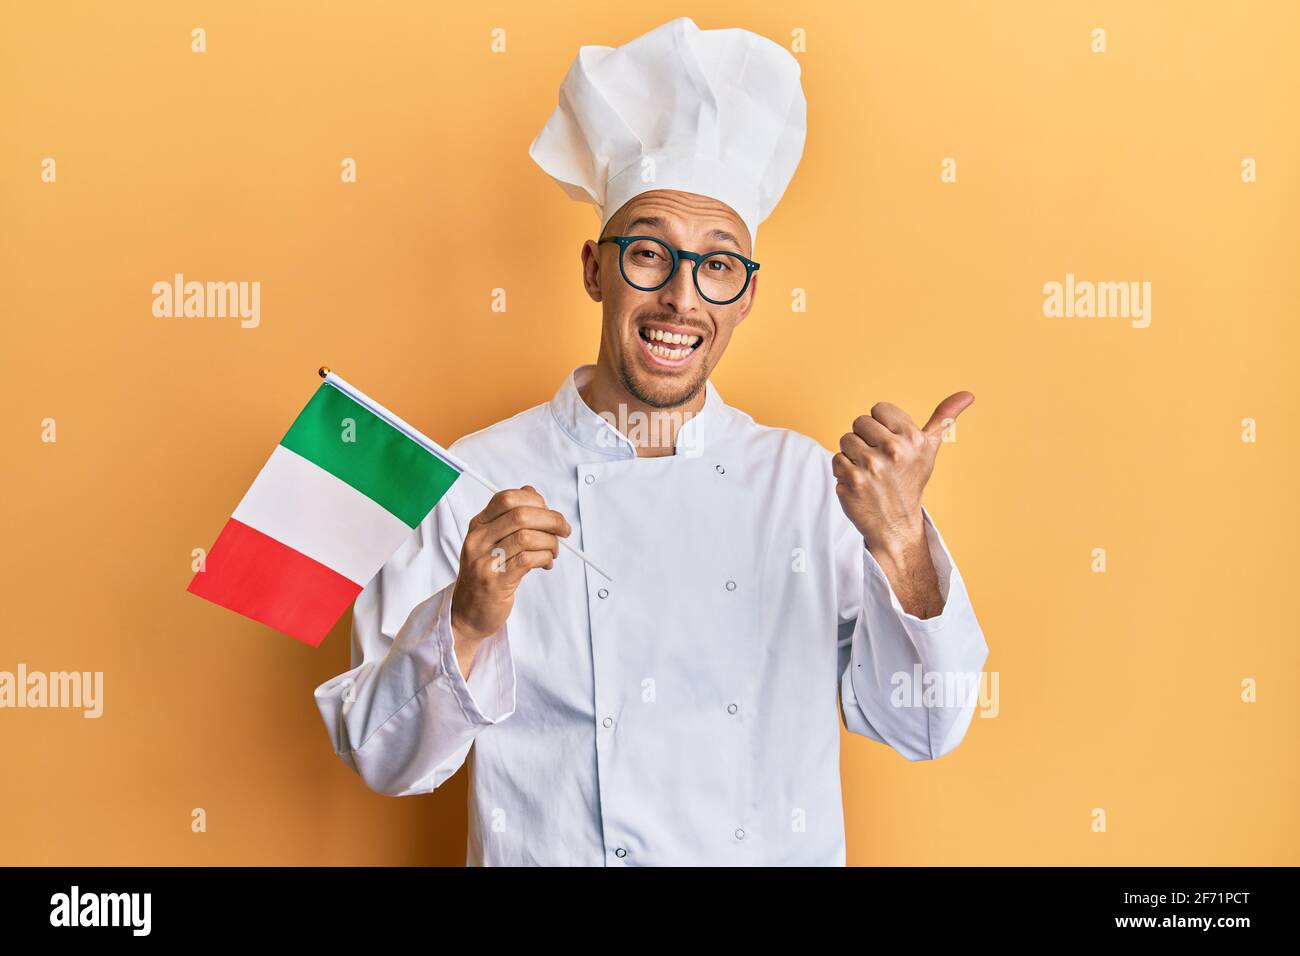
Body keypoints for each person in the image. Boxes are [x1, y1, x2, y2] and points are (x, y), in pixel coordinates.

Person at [314, 16, 989, 866]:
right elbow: (378, 755)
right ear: (596, 268)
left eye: (716, 265)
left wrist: (900, 543)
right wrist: (466, 621)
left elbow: (927, 724)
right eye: (648, 256)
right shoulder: (473, 482)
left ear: (745, 296)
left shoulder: (812, 488)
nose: (680, 298)